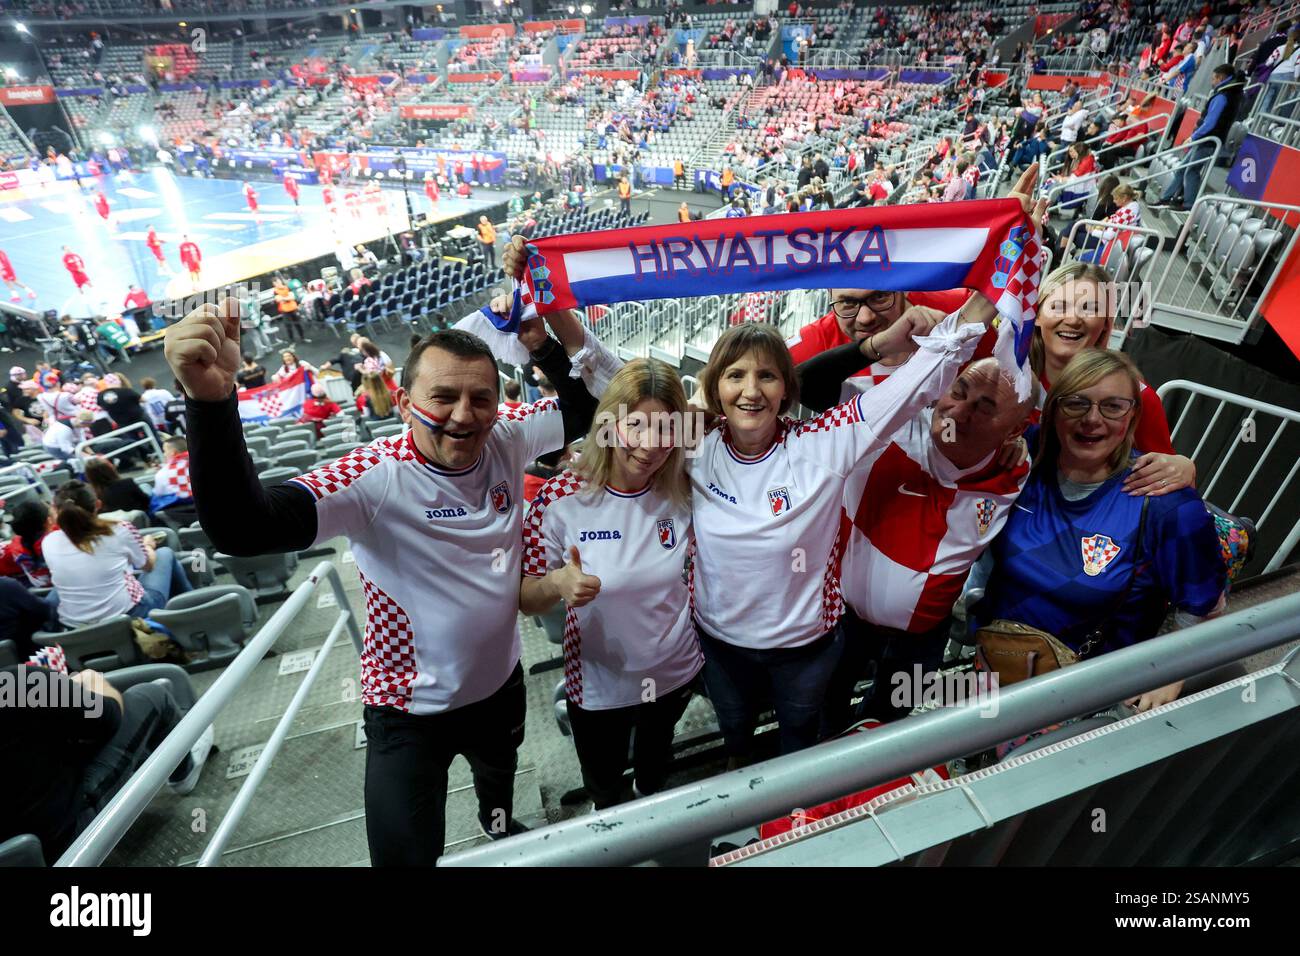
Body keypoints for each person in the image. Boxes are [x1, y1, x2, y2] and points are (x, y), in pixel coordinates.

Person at [164, 297, 597, 866]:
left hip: (499, 685)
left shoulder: (507, 434)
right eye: (442, 397)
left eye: (479, 399)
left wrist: (541, 345)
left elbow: (583, 409)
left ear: (496, 404)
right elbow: (243, 529)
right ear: (403, 404)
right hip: (406, 712)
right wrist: (212, 402)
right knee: (402, 860)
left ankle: (498, 827)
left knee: (499, 782)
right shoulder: (372, 477)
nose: (463, 416)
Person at [975, 349, 1226, 709]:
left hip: (1089, 693)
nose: (1092, 419)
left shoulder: (1164, 503)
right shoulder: (1023, 458)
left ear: (1133, 416)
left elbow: (1207, 605)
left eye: (1112, 406)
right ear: (1053, 410)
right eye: (1076, 403)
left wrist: (1173, 669)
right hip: (996, 666)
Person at [521, 359, 701, 809]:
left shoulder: (683, 485)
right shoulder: (560, 498)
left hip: (675, 668)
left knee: (655, 762)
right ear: (609, 423)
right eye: (635, 425)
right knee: (603, 784)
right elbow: (525, 598)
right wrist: (559, 584)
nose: (649, 444)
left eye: (665, 428)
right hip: (600, 683)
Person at [0, 662, 209, 858]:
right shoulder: (19, 682)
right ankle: (183, 774)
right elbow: (110, 717)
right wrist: (94, 683)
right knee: (152, 694)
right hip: (64, 843)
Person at [44, 480, 193, 627]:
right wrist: (147, 545)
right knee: (164, 553)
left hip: (75, 627)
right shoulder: (120, 529)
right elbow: (147, 565)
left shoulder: (49, 542)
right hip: (131, 616)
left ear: (56, 510)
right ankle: (194, 612)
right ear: (97, 504)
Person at [1151, 65, 1245, 212]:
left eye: (1213, 78)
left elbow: (1210, 123)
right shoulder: (1229, 94)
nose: (1212, 81)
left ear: (1220, 78)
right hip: (1206, 139)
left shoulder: (1222, 96)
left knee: (1191, 171)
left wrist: (1194, 136)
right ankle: (1166, 198)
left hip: (1207, 141)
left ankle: (1189, 204)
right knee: (1183, 168)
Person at [84, 456, 152, 516]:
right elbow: (146, 502)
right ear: (109, 469)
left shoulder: (94, 496)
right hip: (142, 518)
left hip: (118, 527)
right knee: (145, 486)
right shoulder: (127, 483)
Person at [273, 276, 308, 344]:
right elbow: (278, 299)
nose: (277, 283)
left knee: (298, 324)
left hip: (293, 308)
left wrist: (284, 298)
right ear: (274, 284)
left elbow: (292, 296)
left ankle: (303, 338)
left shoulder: (287, 287)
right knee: (288, 326)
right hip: (285, 311)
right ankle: (292, 341)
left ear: (280, 281)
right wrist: (287, 297)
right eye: (275, 283)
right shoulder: (275, 291)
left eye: (278, 281)